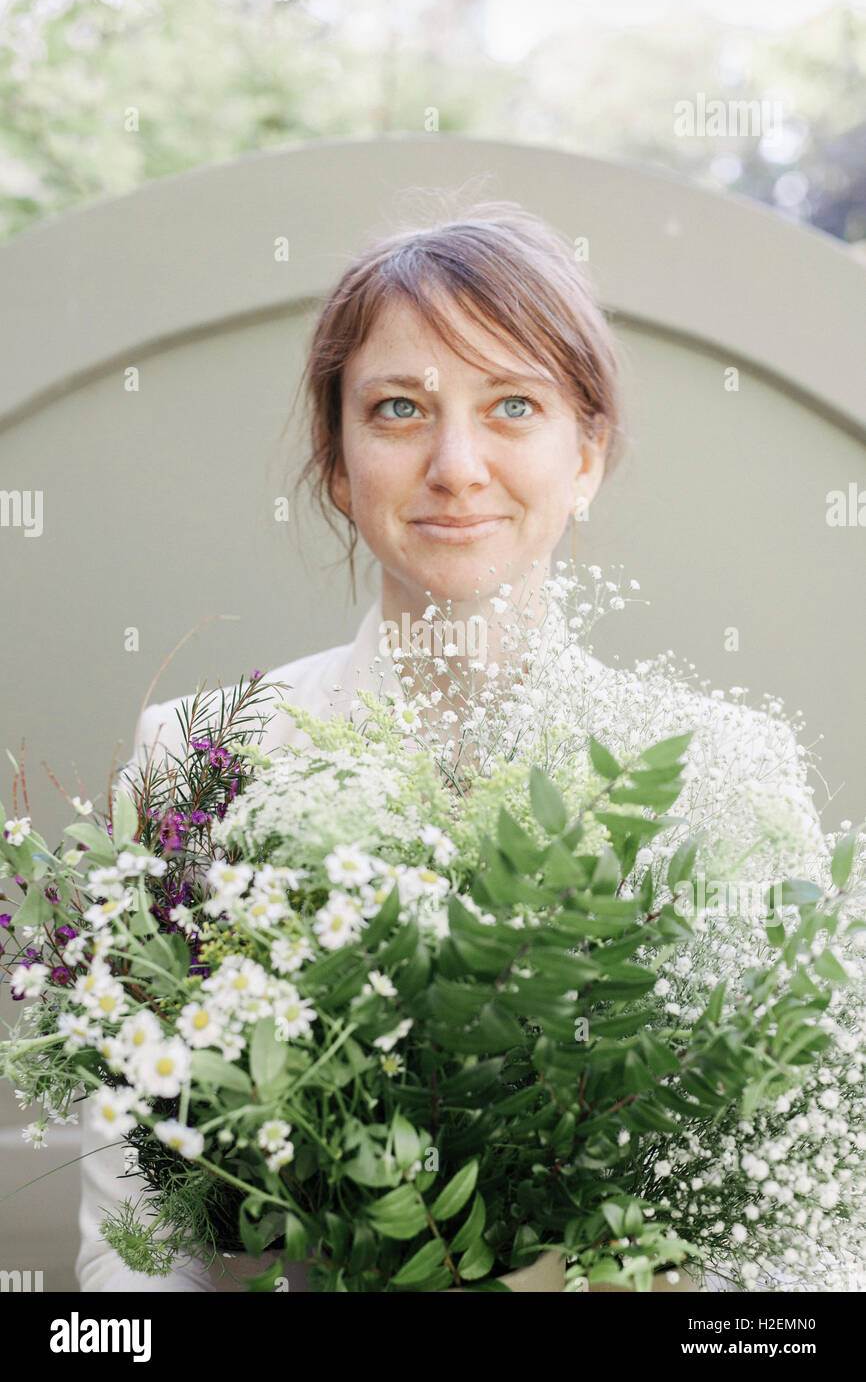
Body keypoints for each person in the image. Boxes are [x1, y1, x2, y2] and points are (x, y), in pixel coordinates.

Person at [75, 200, 828, 1293]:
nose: (456, 464)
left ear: (586, 457)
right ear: (338, 463)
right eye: (397, 409)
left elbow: (800, 1243)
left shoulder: (723, 773)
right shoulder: (195, 759)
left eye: (512, 404)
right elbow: (138, 1231)